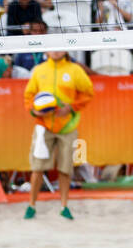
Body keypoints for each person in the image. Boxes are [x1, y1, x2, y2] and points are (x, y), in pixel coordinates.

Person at [23, 50, 93, 220]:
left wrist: (71, 107)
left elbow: (88, 93)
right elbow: (28, 97)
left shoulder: (75, 70)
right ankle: (31, 205)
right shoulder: (39, 70)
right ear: (46, 50)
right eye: (52, 47)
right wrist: (34, 111)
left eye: (59, 47)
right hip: (43, 126)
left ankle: (64, 206)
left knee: (65, 168)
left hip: (67, 127)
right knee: (37, 167)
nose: (55, 51)